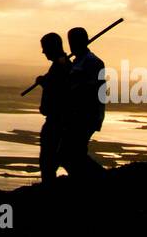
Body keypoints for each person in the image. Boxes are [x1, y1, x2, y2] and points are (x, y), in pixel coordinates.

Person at [33, 32, 76, 183]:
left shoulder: (62, 66)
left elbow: (61, 91)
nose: (43, 52)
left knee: (48, 161)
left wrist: (45, 83)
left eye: (45, 48)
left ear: (53, 47)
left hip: (57, 121)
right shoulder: (60, 65)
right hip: (56, 120)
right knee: (51, 161)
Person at [65, 25, 107, 166]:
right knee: (72, 153)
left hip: (87, 114)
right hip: (79, 114)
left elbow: (89, 89)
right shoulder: (78, 61)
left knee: (73, 153)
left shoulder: (93, 62)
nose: (72, 45)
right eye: (70, 41)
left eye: (74, 41)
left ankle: (100, 180)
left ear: (85, 41)